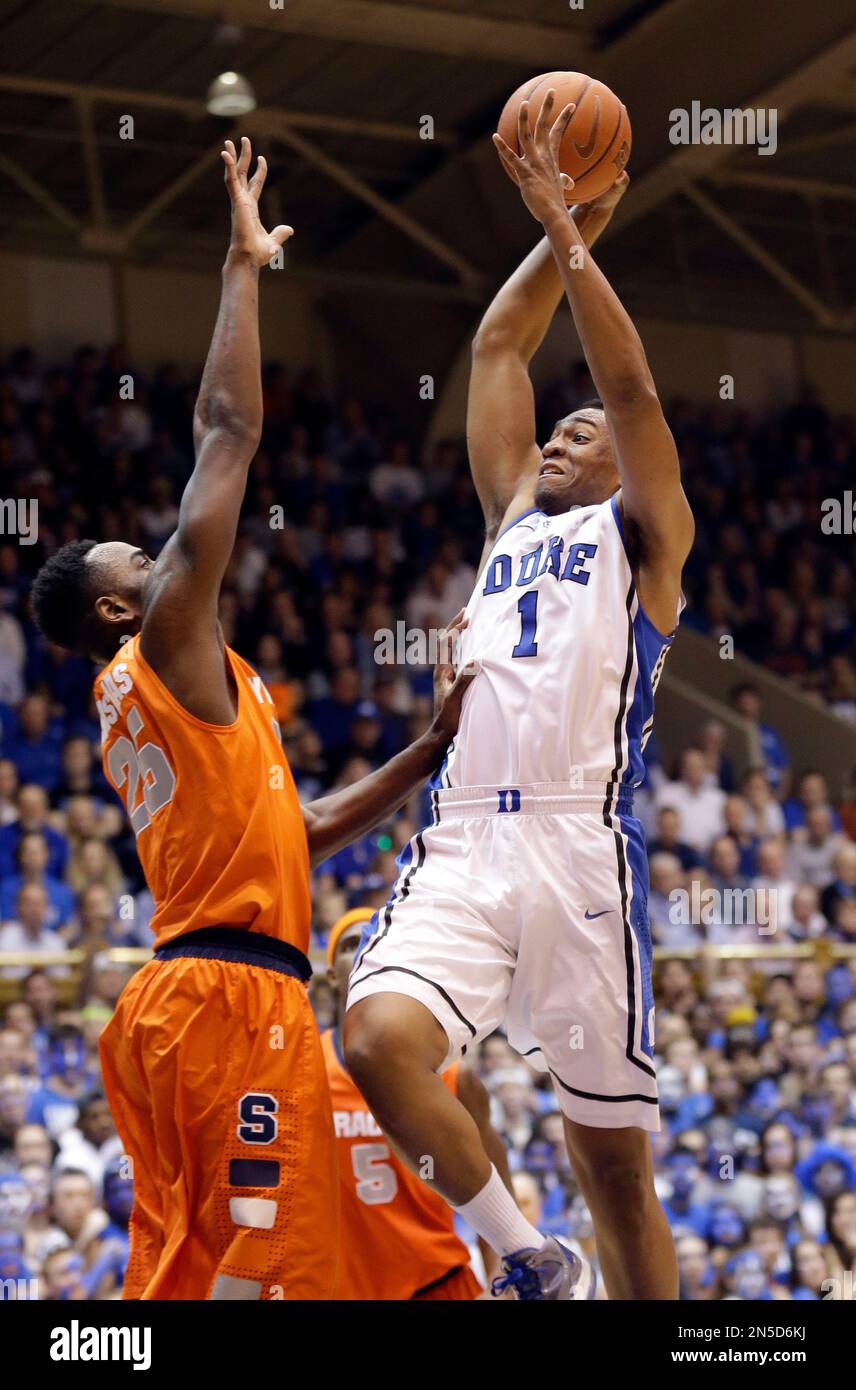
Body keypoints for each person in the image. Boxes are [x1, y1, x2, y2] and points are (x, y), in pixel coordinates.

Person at [29, 139, 474, 1301]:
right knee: (270, 1270)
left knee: (191, 1270)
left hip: (180, 999)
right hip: (231, 997)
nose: (168, 551)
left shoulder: (158, 697)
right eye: (145, 554)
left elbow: (305, 825)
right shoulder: (165, 643)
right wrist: (240, 265)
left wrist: (425, 754)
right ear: (123, 603)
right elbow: (229, 430)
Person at [345, 94, 693, 1300]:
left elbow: (636, 396)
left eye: (580, 429)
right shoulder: (507, 519)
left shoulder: (644, 531)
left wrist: (583, 241)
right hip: (462, 837)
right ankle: (526, 1258)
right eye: (560, 426)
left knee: (612, 1171)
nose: (563, 433)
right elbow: (496, 352)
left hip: (573, 842)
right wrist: (556, 227)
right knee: (376, 1038)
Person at [323, 907, 510, 1299]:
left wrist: (500, 1281)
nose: (363, 951)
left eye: (376, 940)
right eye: (352, 943)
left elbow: (497, 1185)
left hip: (437, 1280)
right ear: (331, 975)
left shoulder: (451, 1073)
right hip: (338, 1286)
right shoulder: (302, 1067)